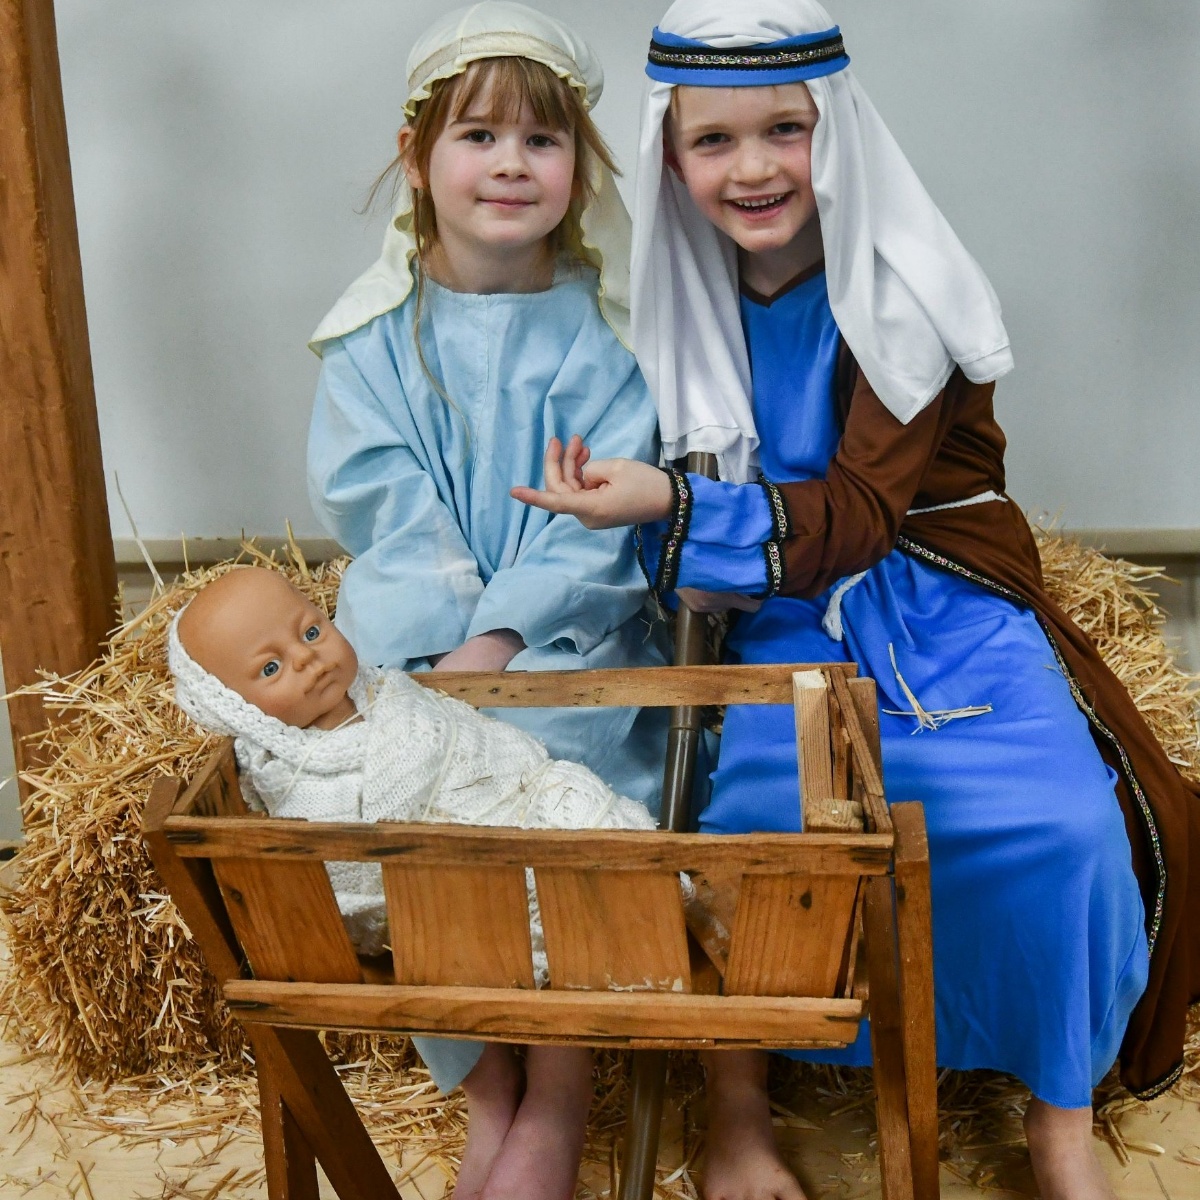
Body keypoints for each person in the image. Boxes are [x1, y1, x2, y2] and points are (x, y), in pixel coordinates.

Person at [513, 4, 1200, 1199]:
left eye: (787, 129)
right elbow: (690, 502)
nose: (756, 168)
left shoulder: (901, 293)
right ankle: (737, 1115)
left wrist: (669, 508)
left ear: (842, 133)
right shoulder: (675, 300)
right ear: (671, 157)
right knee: (748, 837)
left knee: (1062, 829)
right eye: (714, 141)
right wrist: (648, 523)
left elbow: (858, 520)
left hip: (938, 599)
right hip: (770, 608)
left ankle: (1059, 1124)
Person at [305, 5, 667, 1196]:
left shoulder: (613, 335)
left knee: (570, 789)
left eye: (543, 140)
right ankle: (487, 1087)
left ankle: (558, 1089)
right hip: (422, 644)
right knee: (416, 790)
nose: (511, 164)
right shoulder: (373, 341)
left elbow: (596, 518)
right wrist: (447, 653)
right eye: (478, 134)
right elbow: (388, 512)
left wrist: (508, 639)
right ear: (418, 159)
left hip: (572, 640)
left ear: (583, 168)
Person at [168, 566, 655, 969]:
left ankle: (618, 883)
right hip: (443, 893)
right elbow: (350, 868)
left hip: (512, 807)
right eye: (271, 668)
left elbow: (476, 741)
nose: (308, 659)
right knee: (532, 897)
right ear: (236, 707)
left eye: (312, 632)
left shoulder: (390, 692)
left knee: (582, 822)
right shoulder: (293, 778)